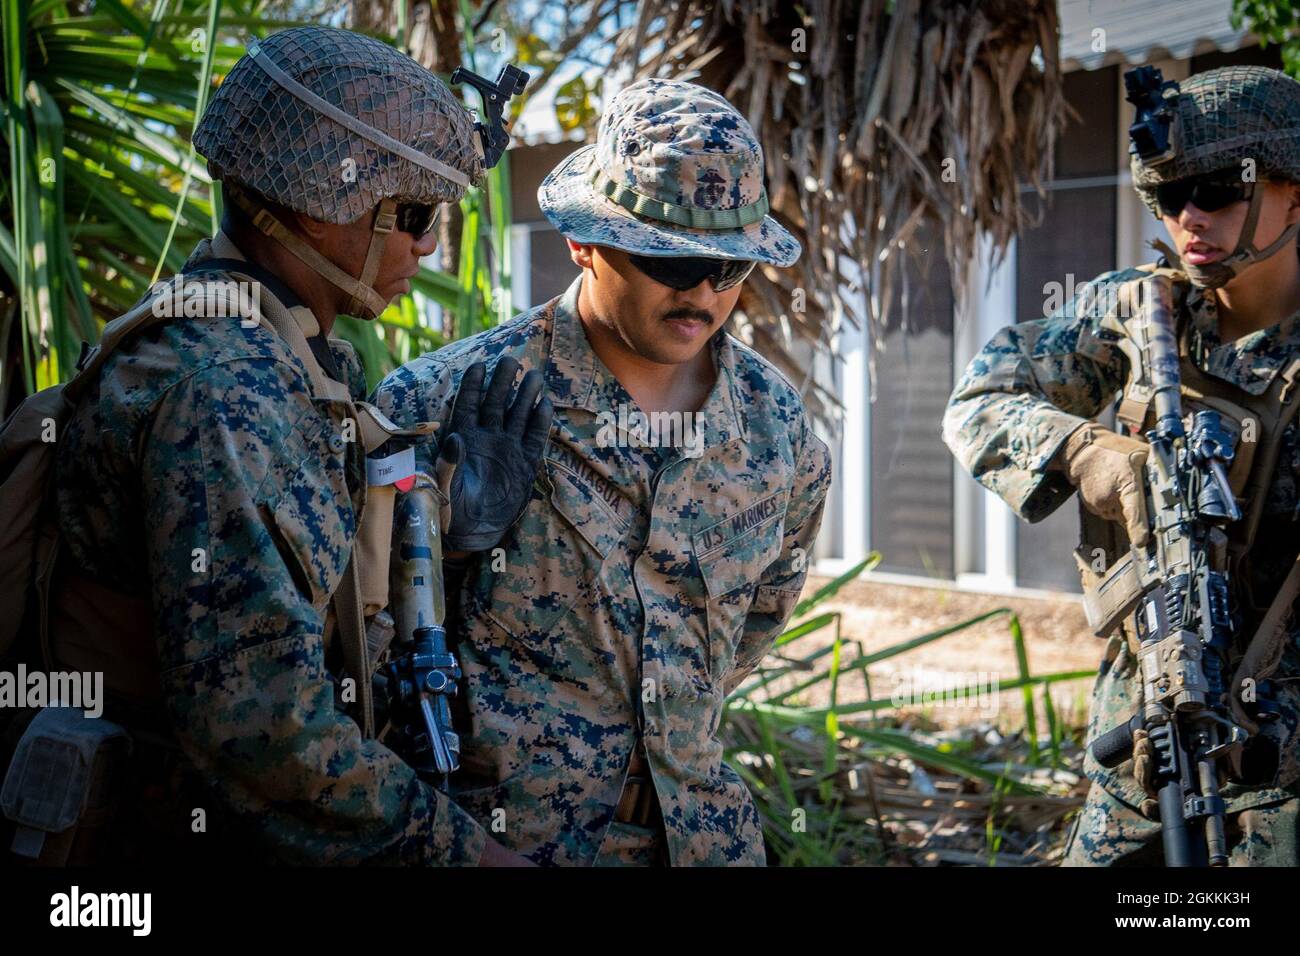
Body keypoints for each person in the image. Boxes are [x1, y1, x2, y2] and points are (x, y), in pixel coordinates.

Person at [5, 25, 547, 866]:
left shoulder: (281, 346)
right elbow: (263, 730)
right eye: (410, 213)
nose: (428, 243)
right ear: (310, 206)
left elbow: (301, 591)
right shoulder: (228, 385)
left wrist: (443, 531)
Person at [373, 78, 832, 866]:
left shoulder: (777, 426)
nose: (701, 294)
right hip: (510, 845)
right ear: (585, 243)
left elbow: (753, 623)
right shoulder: (444, 401)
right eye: (670, 261)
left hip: (703, 843)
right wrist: (452, 547)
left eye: (729, 268)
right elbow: (358, 645)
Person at [943, 65, 1300, 865]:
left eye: (1215, 190)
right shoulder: (1141, 310)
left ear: (1295, 193)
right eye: (1170, 199)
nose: (1189, 219)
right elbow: (981, 399)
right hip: (1153, 732)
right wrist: (1083, 448)